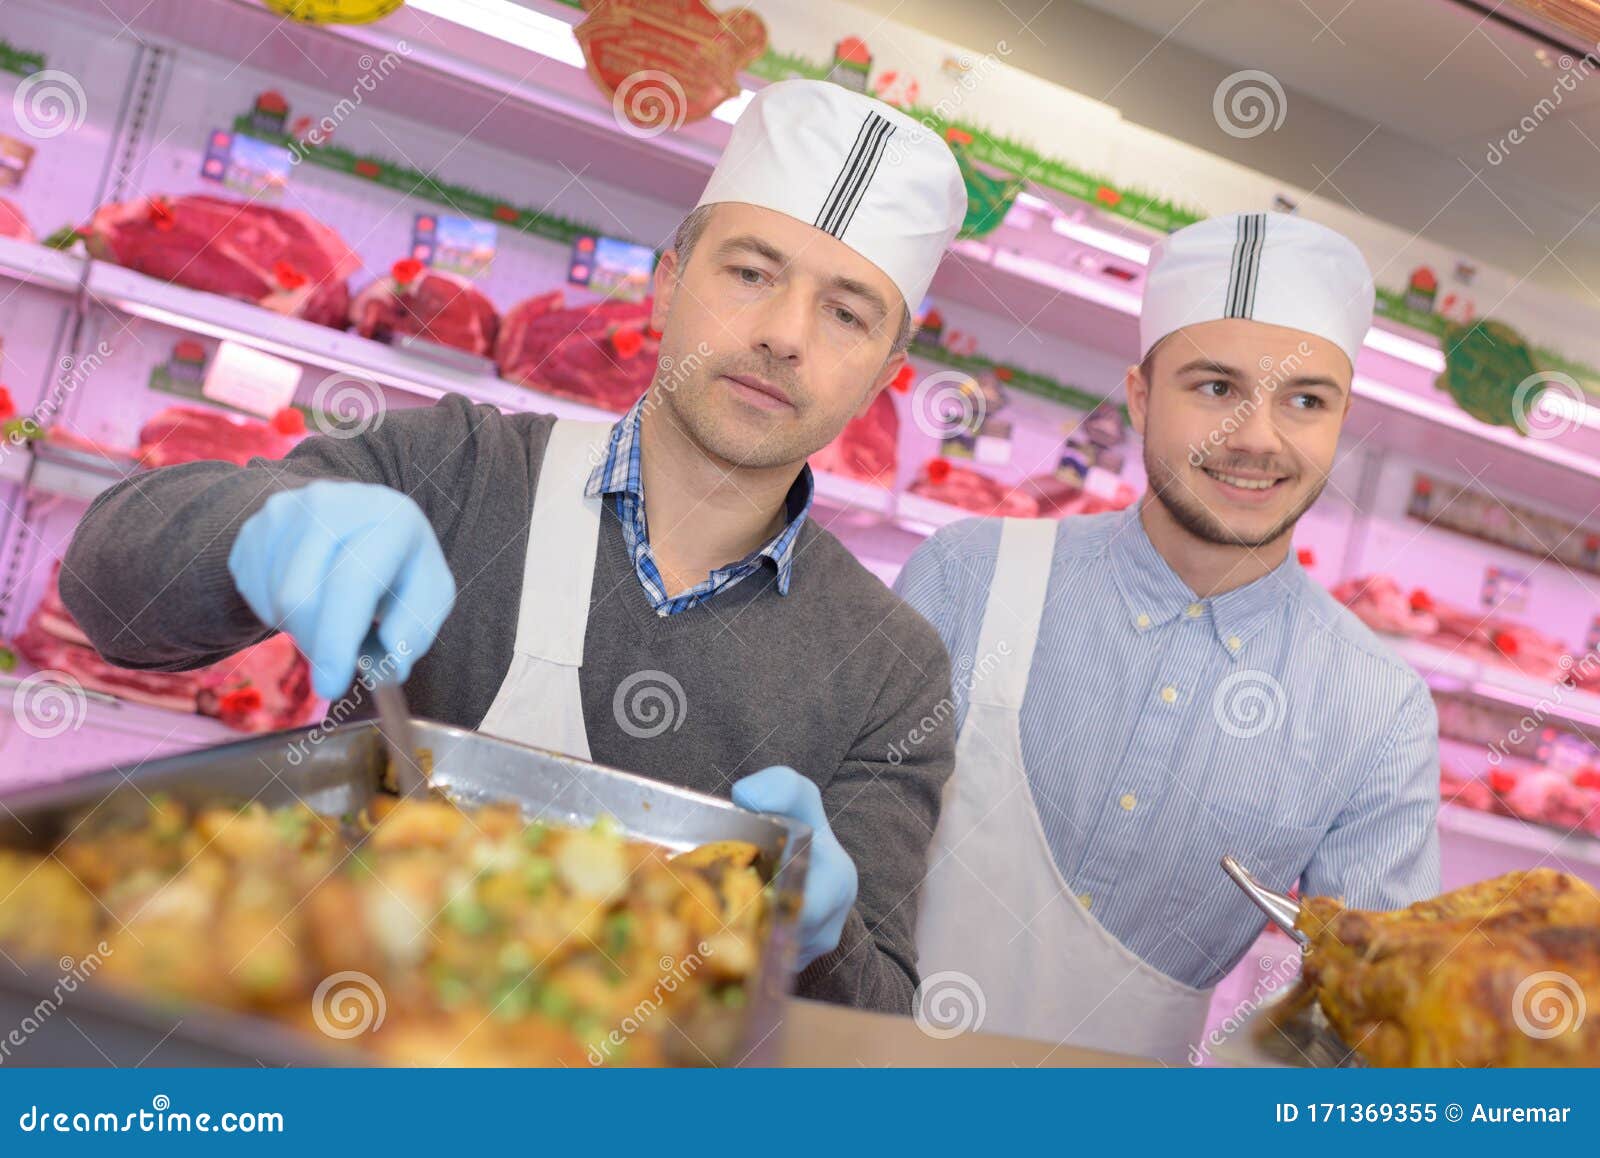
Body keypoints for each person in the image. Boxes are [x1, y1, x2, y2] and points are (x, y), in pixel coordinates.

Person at [61, 79, 968, 1013]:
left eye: (848, 312)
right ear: (668, 280)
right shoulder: (456, 467)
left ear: (885, 378)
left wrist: (823, 940)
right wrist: (247, 535)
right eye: (750, 272)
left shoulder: (891, 671)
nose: (783, 334)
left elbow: (873, 1021)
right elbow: (107, 596)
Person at [895, 212, 1441, 1061]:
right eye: (1216, 388)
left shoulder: (1377, 709)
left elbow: (1366, 1018)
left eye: (1304, 400)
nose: (1258, 437)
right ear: (1142, 396)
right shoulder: (971, 574)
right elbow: (843, 862)